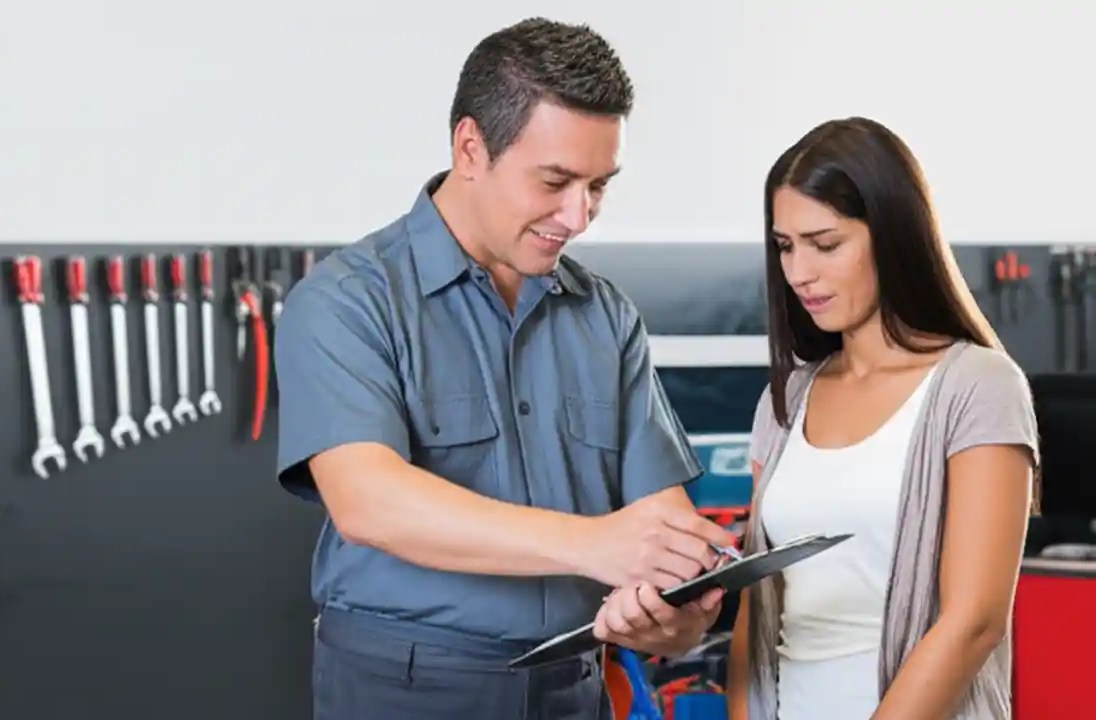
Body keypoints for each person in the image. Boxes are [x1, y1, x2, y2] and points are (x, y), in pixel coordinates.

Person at [273, 16, 735, 720]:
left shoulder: (606, 318)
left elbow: (658, 527)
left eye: (599, 186)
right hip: (405, 690)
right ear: (470, 148)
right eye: (555, 181)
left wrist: (672, 611)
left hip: (575, 688)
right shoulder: (346, 302)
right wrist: (596, 546)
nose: (579, 215)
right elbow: (369, 503)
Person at [726, 117, 1040, 720]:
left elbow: (974, 622)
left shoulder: (978, 386)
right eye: (785, 246)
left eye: (825, 243)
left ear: (893, 234)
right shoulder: (784, 401)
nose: (799, 273)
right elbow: (758, 608)